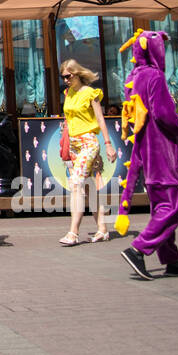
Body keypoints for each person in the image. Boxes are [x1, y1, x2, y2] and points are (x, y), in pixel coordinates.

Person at [114, 30, 178, 279]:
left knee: (161, 204)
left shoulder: (133, 76)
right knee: (174, 202)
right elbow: (164, 114)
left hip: (145, 149)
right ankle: (138, 249)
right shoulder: (154, 76)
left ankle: (171, 258)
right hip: (161, 148)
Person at [58, 60, 117, 245]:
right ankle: (102, 229)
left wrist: (107, 144)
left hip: (89, 143)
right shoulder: (68, 93)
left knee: (76, 184)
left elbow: (100, 119)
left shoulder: (91, 93)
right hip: (75, 144)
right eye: (63, 77)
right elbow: (70, 117)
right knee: (89, 188)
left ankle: (73, 232)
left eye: (68, 76)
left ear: (77, 74)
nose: (66, 80)